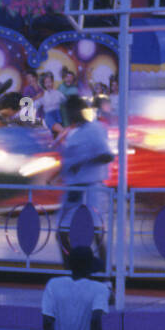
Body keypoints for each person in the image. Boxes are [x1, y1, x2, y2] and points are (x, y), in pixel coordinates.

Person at [57, 95, 112, 263]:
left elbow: (106, 155)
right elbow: (70, 161)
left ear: (76, 111)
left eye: (68, 111)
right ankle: (74, 270)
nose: (67, 115)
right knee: (62, 233)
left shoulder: (95, 129)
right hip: (74, 190)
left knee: (96, 233)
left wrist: (83, 163)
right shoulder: (73, 133)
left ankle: (105, 275)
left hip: (91, 189)